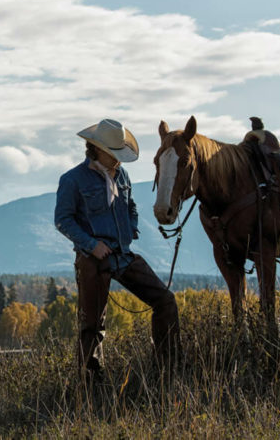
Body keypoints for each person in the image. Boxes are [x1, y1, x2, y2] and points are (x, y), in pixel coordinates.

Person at [54, 118, 180, 383]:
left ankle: (168, 370)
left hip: (123, 255)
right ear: (96, 149)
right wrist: (91, 245)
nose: (118, 159)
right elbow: (63, 220)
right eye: (113, 153)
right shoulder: (72, 180)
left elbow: (131, 206)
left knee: (165, 301)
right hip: (92, 260)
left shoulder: (122, 175)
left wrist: (131, 228)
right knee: (92, 325)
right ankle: (90, 387)